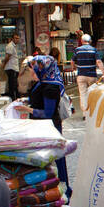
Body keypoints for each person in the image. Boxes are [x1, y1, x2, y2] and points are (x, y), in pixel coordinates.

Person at [21, 54, 71, 189]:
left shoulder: (50, 87)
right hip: (40, 127)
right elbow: (37, 101)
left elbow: (48, 113)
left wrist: (27, 109)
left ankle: (62, 188)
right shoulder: (41, 82)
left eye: (34, 68)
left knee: (55, 159)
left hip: (50, 128)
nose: (31, 71)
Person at [72, 33, 101, 113]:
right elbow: (98, 61)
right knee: (93, 93)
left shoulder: (77, 50)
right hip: (92, 75)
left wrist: (73, 67)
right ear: (90, 41)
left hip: (81, 75)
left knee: (83, 94)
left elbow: (72, 61)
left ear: (81, 41)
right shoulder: (93, 49)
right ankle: (93, 112)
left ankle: (85, 113)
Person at [2, 35, 23, 99]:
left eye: (18, 38)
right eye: (16, 38)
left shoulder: (13, 46)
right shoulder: (10, 46)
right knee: (12, 84)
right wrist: (3, 65)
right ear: (12, 39)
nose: (17, 40)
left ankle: (16, 97)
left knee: (15, 84)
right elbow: (7, 57)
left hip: (14, 68)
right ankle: (13, 98)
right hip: (11, 67)